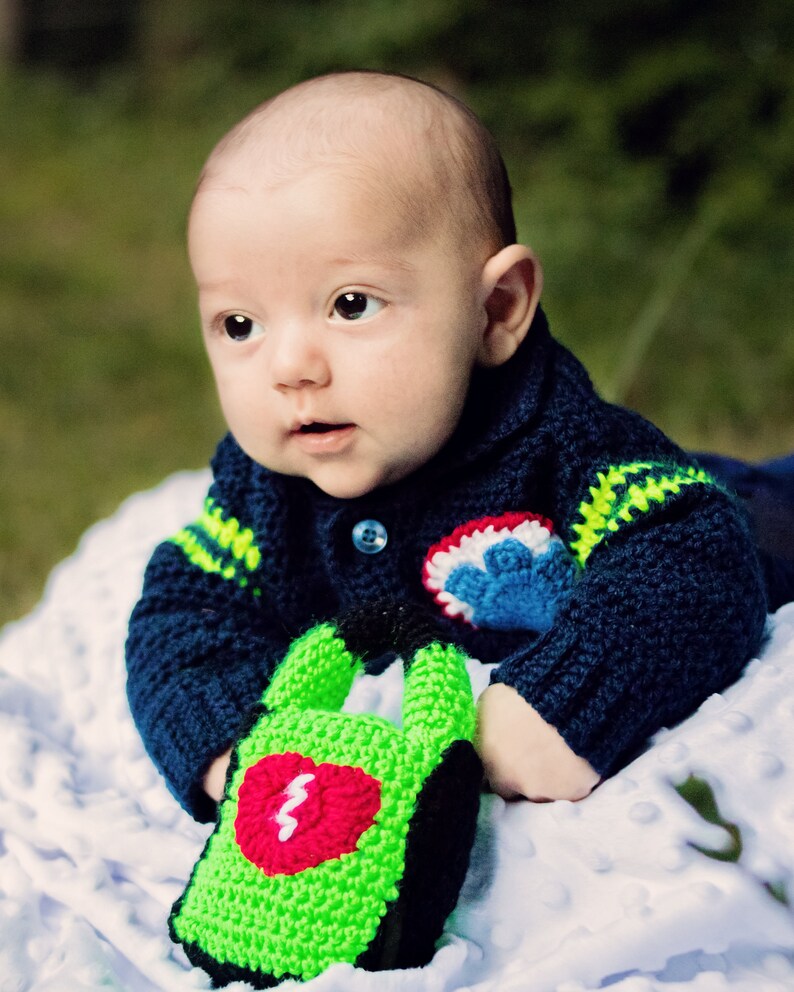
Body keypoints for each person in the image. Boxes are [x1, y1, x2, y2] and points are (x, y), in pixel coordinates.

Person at [126, 70, 783, 826]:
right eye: (240, 325)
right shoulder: (262, 491)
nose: (289, 368)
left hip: (758, 515)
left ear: (496, 310)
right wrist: (232, 750)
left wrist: (561, 703)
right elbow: (182, 614)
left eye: (350, 305)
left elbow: (692, 557)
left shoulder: (565, 449)